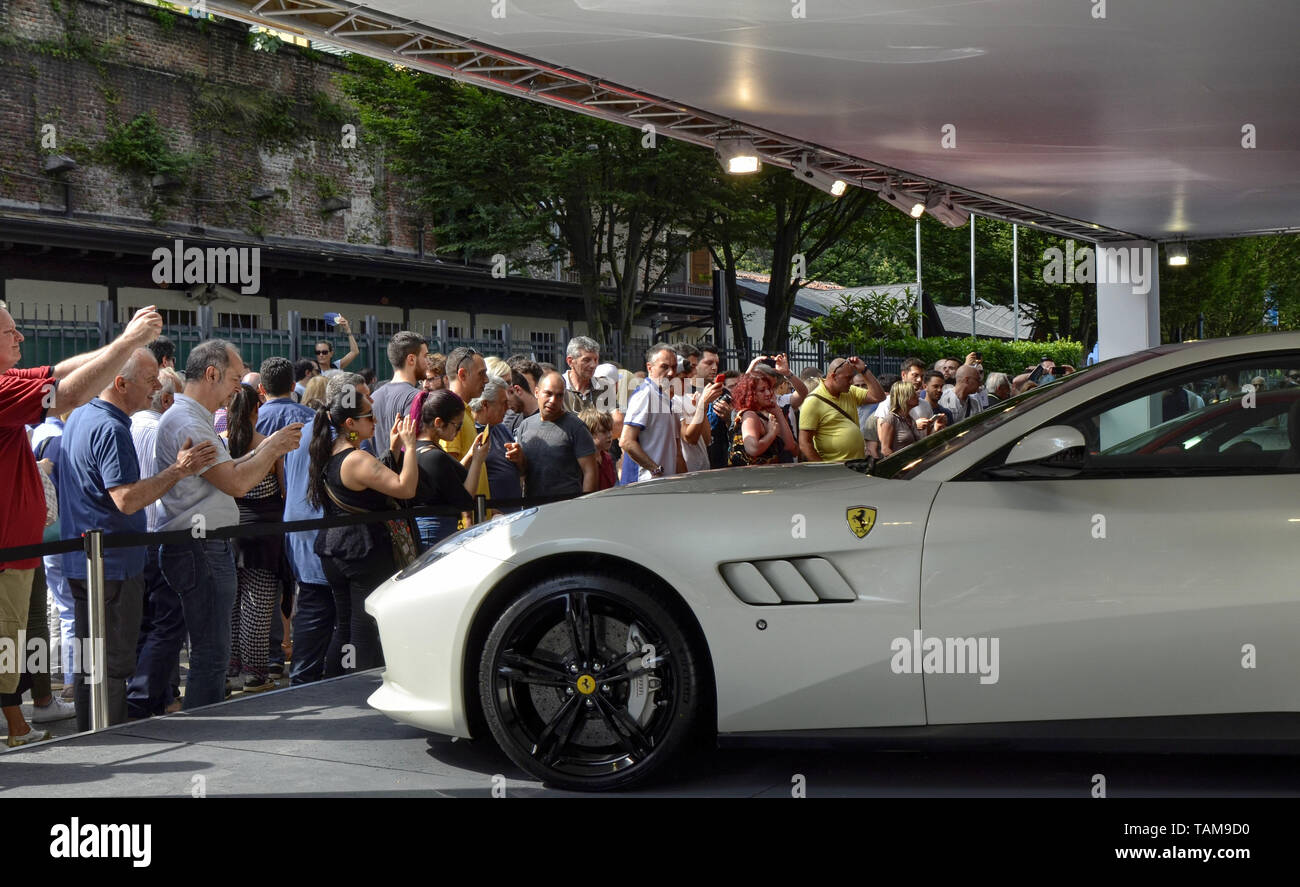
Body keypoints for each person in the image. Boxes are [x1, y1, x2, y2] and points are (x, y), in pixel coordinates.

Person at [2, 304, 166, 747]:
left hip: (42, 554)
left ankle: (77, 729)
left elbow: (58, 372)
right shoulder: (99, 421)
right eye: (10, 332)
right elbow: (65, 396)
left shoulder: (47, 398)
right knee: (96, 657)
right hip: (64, 558)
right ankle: (98, 735)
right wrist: (129, 342)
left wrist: (122, 344)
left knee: (63, 648)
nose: (20, 337)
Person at [60, 348, 218, 730]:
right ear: (120, 383)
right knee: (112, 663)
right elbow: (127, 499)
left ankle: (92, 734)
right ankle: (109, 737)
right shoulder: (111, 428)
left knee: (91, 662)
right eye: (150, 381)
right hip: (110, 567)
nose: (156, 389)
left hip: (88, 562)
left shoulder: (81, 415)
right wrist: (178, 471)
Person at [155, 340, 302, 710]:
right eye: (236, 378)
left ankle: (203, 720)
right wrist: (273, 447)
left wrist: (266, 448)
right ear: (211, 374)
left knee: (213, 647)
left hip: (203, 545)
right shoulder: (190, 420)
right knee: (212, 651)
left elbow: (230, 474)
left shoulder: (194, 418)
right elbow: (235, 483)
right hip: (200, 546)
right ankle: (205, 724)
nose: (239, 388)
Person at [308, 386, 419, 671]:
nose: (376, 422)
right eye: (369, 417)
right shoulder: (357, 459)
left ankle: (334, 684)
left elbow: (359, 488)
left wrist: (393, 448)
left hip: (335, 550)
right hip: (361, 553)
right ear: (350, 423)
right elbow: (405, 488)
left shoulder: (333, 452)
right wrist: (410, 446)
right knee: (363, 627)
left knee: (344, 624)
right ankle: (353, 686)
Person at [282, 372, 368, 685]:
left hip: (305, 531)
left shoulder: (305, 430)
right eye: (363, 398)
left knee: (316, 610)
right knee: (325, 613)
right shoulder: (343, 436)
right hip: (324, 536)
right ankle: (317, 681)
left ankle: (308, 679)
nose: (369, 404)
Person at [126, 367, 187, 719]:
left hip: (138, 538)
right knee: (167, 623)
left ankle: (158, 695)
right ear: (166, 400)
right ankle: (146, 695)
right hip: (160, 536)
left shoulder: (129, 427)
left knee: (147, 622)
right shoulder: (162, 429)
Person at [222, 384, 285, 694]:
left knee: (232, 605)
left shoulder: (221, 444)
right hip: (263, 533)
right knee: (258, 606)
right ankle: (255, 673)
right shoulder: (268, 445)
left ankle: (231, 668)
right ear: (255, 411)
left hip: (230, 530)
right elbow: (282, 488)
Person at [407, 389, 489, 550]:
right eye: (457, 426)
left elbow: (449, 477)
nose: (457, 431)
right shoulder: (434, 456)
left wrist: (472, 454)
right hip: (436, 532)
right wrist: (478, 460)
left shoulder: (419, 448)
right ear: (438, 422)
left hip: (428, 530)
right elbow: (464, 499)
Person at [516, 371, 598, 499]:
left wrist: (583, 505)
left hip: (566, 509)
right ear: (537, 392)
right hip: (533, 509)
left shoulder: (576, 427)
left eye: (559, 396)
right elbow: (523, 470)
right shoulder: (525, 426)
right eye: (548, 394)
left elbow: (590, 471)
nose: (553, 400)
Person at [799, 356, 886, 462]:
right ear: (833, 376)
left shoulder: (850, 391)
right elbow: (804, 444)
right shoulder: (813, 401)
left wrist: (864, 370)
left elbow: (879, 397)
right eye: (848, 378)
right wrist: (823, 468)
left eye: (852, 377)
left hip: (856, 465)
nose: (851, 381)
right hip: (834, 470)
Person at [620, 343, 687, 482]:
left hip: (662, 486)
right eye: (664, 366)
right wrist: (655, 470)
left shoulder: (666, 398)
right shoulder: (645, 394)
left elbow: (676, 451)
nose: (671, 373)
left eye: (674, 367)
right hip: (643, 486)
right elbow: (626, 441)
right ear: (649, 368)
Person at [442, 347, 490, 507]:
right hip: (466, 524)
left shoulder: (464, 411)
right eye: (481, 374)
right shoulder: (451, 414)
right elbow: (451, 479)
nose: (487, 380)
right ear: (462, 375)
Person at [469, 376, 525, 507]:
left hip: (513, 513)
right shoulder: (469, 431)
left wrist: (519, 458)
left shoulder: (501, 428)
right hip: (488, 516)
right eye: (503, 403)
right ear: (485, 404)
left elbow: (522, 469)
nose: (508, 408)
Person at [371, 331, 429, 451]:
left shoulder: (373, 397)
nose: (428, 362)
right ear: (411, 359)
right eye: (425, 356)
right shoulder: (418, 397)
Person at [673, 344, 726, 473]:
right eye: (691, 367)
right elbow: (690, 438)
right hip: (685, 473)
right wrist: (702, 404)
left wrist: (703, 405)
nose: (694, 372)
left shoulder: (690, 396)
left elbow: (707, 439)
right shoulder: (672, 398)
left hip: (703, 469)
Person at [727, 371, 797, 467]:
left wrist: (778, 413)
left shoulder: (767, 416)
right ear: (751, 394)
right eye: (762, 390)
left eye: (769, 389)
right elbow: (753, 449)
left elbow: (790, 446)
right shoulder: (749, 415)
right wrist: (771, 434)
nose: (768, 393)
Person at [562, 335, 616, 414]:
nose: (593, 365)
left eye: (596, 359)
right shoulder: (558, 387)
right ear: (570, 361)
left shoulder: (604, 387)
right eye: (586, 360)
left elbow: (615, 418)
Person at [879, 381, 928, 457]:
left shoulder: (910, 419)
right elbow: (885, 450)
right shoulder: (890, 419)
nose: (918, 395)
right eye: (913, 393)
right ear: (904, 397)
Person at [580, 409, 619, 490]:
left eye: (610, 430)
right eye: (603, 431)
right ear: (588, 433)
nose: (609, 435)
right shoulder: (580, 462)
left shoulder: (608, 458)